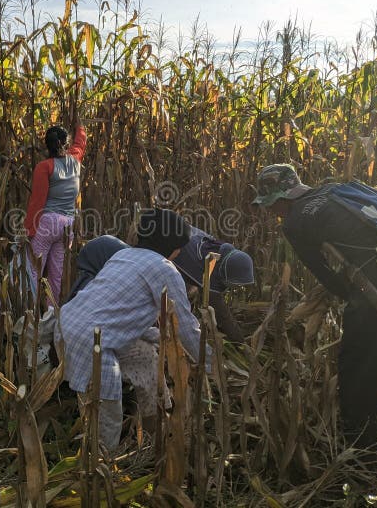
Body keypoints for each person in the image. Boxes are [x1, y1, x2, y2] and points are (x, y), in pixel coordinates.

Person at [252, 163, 377, 454]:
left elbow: (324, 274)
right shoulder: (342, 188)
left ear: (281, 200)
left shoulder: (295, 221)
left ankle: (361, 453)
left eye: (272, 207)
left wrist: (352, 296)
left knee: (360, 362)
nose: (274, 213)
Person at [56, 208, 209, 451]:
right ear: (172, 246)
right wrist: (209, 362)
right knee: (107, 410)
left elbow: (119, 316)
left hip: (71, 323)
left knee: (145, 355)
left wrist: (159, 338)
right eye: (179, 247)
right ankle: (102, 464)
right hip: (91, 339)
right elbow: (186, 327)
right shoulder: (164, 268)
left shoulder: (124, 256)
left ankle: (153, 428)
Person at [66, 230, 253, 343]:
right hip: (94, 260)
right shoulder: (144, 269)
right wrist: (239, 342)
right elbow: (218, 313)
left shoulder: (212, 253)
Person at [24, 118, 87, 304]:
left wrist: (29, 230)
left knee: (33, 271)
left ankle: (29, 313)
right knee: (56, 274)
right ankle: (52, 313)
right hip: (68, 225)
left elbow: (37, 201)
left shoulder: (44, 167)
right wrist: (80, 125)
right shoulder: (75, 160)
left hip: (48, 223)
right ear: (66, 143)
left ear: (47, 145)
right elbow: (80, 143)